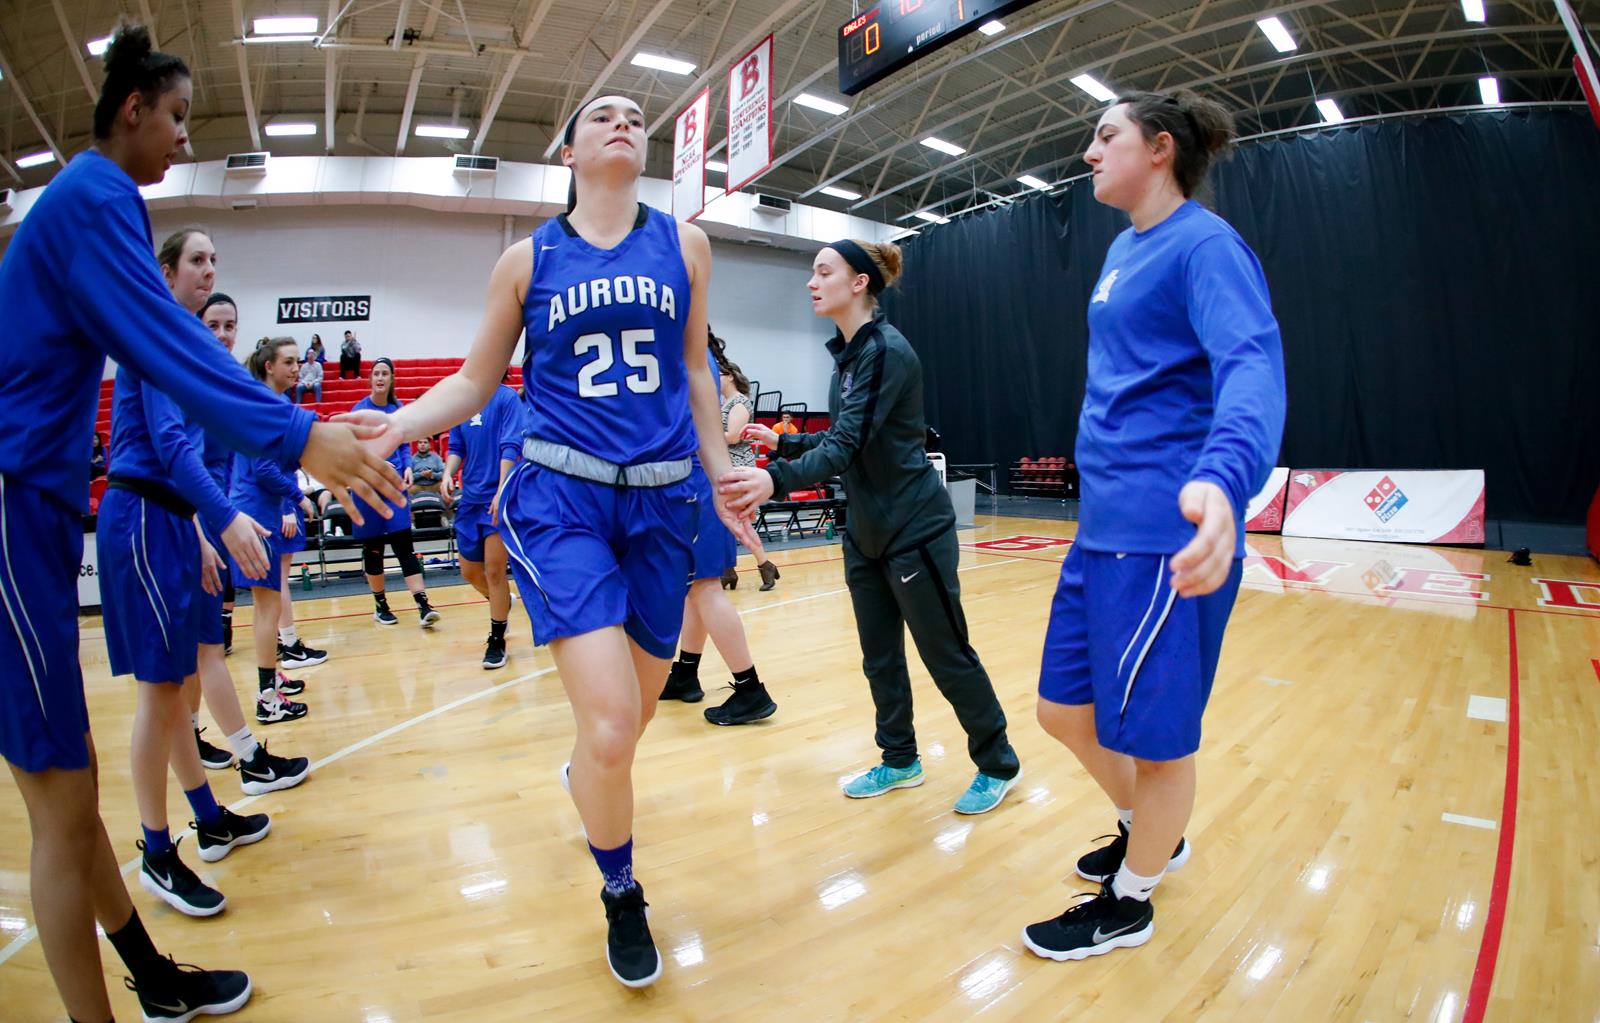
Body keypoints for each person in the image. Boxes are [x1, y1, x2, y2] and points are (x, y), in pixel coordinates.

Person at [0, 23, 401, 1023]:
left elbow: (183, 355)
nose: (186, 138)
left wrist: (293, 431)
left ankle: (148, 967)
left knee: (72, 784)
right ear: (131, 109)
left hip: (43, 510)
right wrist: (301, 438)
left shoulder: (96, 206)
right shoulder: (97, 196)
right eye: (177, 116)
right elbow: (165, 358)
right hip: (25, 505)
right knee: (65, 796)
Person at [338, 93, 750, 989]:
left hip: (659, 501)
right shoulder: (528, 259)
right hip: (557, 497)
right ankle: (622, 889)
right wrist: (397, 424)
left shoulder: (685, 244)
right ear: (567, 150)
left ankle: (590, 779)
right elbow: (476, 381)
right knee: (608, 724)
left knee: (631, 721)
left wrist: (721, 473)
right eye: (602, 115)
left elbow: (692, 369)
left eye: (637, 115)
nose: (624, 121)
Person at [1020, 90, 1285, 963]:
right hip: (1101, 530)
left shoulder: (1205, 245)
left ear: (1160, 149)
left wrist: (1221, 478)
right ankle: (1150, 830)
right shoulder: (1122, 250)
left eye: (1106, 137)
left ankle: (1131, 898)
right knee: (1063, 709)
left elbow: (1251, 366)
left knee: (1157, 736)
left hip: (1164, 531)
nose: (1090, 154)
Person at [722, 239, 1022, 817]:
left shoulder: (886, 351)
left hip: (914, 530)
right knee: (879, 657)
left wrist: (774, 478)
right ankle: (900, 759)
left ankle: (998, 762)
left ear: (859, 282)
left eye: (823, 271)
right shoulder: (849, 355)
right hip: (865, 533)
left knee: (946, 654)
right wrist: (784, 440)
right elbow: (848, 438)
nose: (811, 281)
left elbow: (847, 444)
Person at [102, 229, 279, 921]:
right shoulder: (155, 332)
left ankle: (206, 814)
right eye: (198, 259)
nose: (210, 270)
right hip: (144, 513)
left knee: (176, 688)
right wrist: (227, 518)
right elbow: (171, 446)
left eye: (215, 260)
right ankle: (156, 849)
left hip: (173, 518)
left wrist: (201, 528)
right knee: (160, 692)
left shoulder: (183, 341)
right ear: (167, 270)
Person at [188, 289, 310, 792]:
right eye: (212, 324)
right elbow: (190, 460)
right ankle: (263, 707)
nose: (222, 334)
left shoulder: (224, 387)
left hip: (224, 515)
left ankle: (217, 743)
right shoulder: (197, 381)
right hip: (221, 517)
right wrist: (283, 503)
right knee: (218, 640)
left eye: (229, 325)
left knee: (197, 656)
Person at [660, 342, 777, 725]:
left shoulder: (690, 358)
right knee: (699, 587)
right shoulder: (691, 358)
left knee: (705, 589)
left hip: (700, 481)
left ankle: (750, 689)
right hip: (700, 480)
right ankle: (686, 673)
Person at [228, 337, 316, 724]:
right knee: (266, 608)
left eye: (299, 362)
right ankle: (268, 700)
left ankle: (273, 678)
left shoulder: (270, 402)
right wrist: (299, 496)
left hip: (256, 508)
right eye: (290, 362)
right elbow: (264, 468)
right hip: (257, 513)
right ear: (269, 367)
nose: (297, 368)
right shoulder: (268, 405)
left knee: (268, 604)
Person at [350, 357, 440, 628]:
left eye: (384, 374)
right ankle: (380, 605)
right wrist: (376, 462)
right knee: (374, 549)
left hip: (394, 487)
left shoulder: (398, 410)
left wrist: (408, 467)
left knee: (404, 546)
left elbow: (403, 447)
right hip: (367, 488)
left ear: (391, 379)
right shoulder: (359, 410)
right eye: (376, 373)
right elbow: (353, 449)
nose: (380, 377)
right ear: (370, 378)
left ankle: (423, 604)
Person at [444, 375, 522, 668]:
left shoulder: (507, 399)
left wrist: (502, 489)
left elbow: (511, 446)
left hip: (498, 498)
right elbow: (456, 446)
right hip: (470, 499)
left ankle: (497, 638)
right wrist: (447, 473)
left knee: (493, 571)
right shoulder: (465, 402)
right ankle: (502, 604)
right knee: (468, 571)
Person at [710, 331, 780, 591]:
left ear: (729, 376)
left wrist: (705, 431)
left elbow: (732, 436)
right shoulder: (724, 404)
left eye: (717, 374)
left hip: (738, 467)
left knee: (739, 523)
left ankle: (765, 565)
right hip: (727, 468)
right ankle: (729, 570)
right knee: (725, 522)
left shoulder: (739, 402)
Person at [410, 435, 447, 500]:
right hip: (418, 486)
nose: (422, 445)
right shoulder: (412, 459)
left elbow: (443, 473)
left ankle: (447, 510)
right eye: (420, 442)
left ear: (429, 445)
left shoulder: (436, 457)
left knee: (447, 488)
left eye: (425, 442)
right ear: (417, 445)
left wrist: (432, 475)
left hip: (434, 485)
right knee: (406, 491)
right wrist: (421, 474)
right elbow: (409, 477)